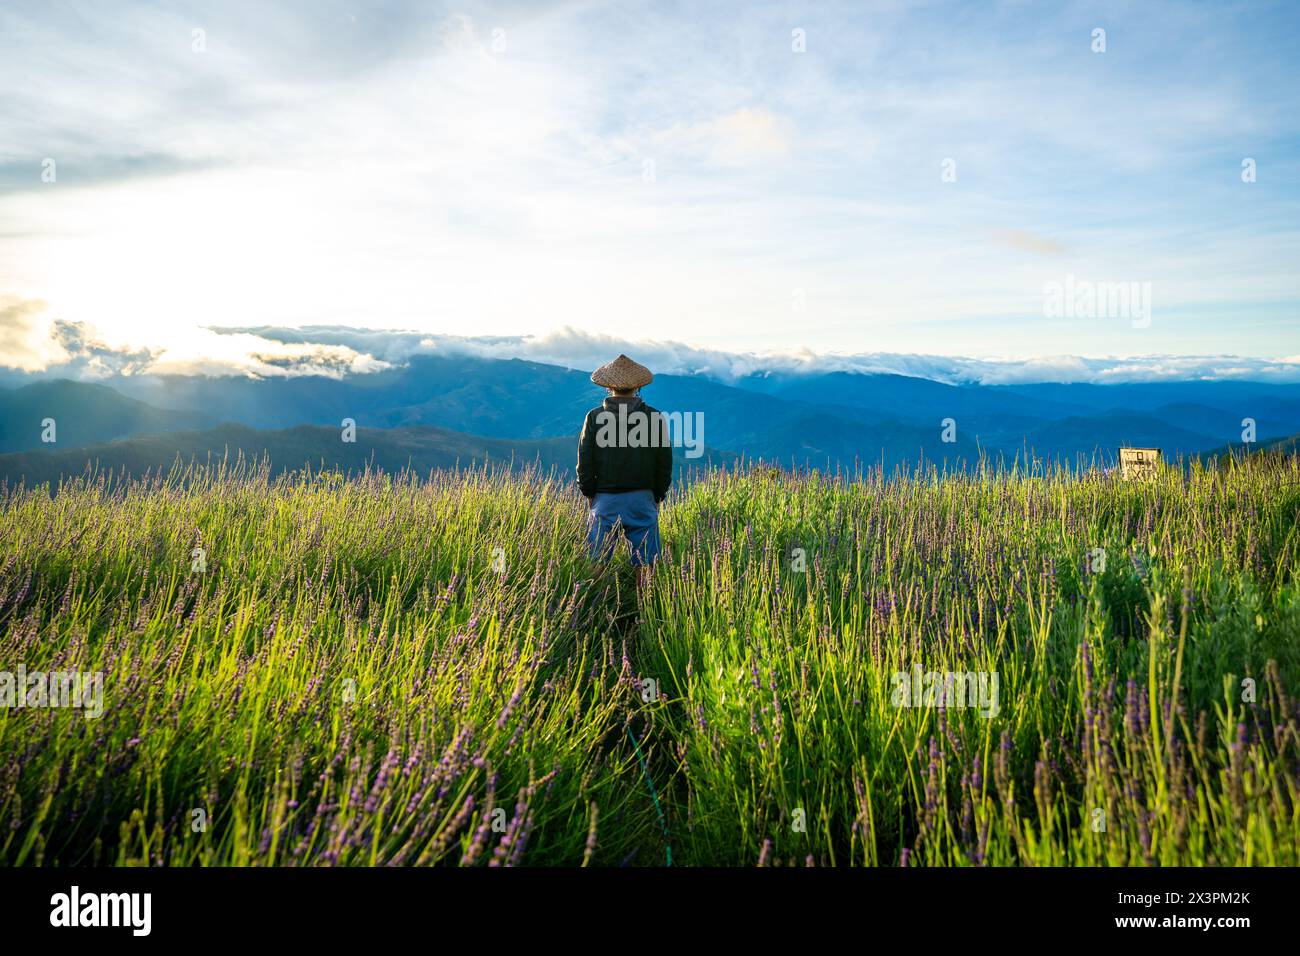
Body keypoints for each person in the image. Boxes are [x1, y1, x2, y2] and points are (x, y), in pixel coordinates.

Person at [577, 354, 673, 586]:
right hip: (642, 498)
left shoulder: (595, 417)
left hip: (605, 499)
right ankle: (646, 615)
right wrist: (658, 495)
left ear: (609, 387)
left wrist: (589, 494)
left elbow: (585, 460)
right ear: (638, 386)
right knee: (646, 564)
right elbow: (664, 463)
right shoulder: (654, 418)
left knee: (597, 561)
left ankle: (593, 610)